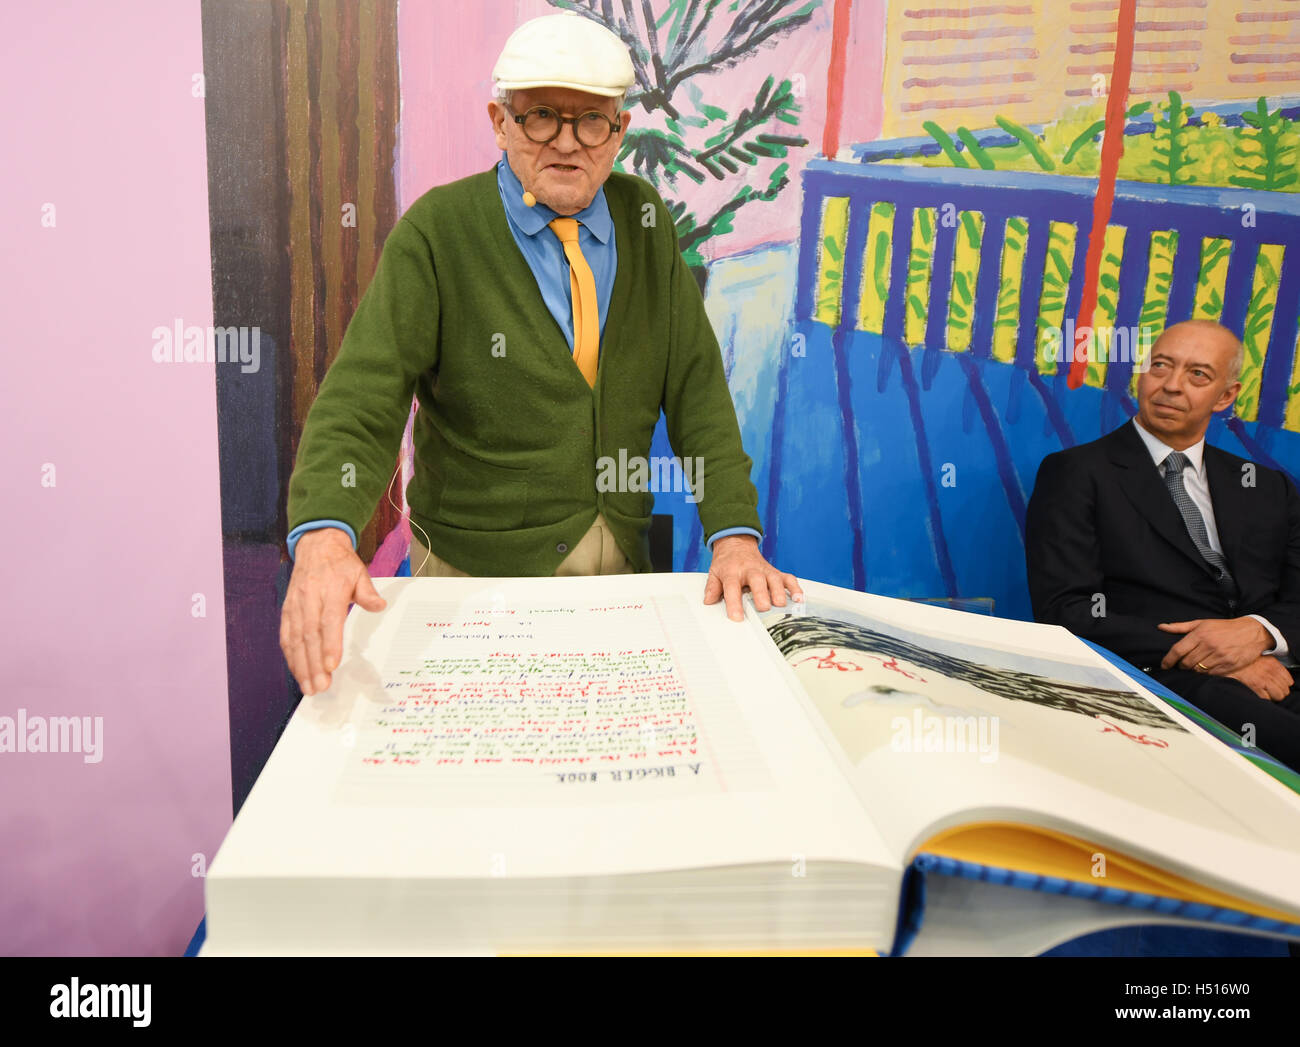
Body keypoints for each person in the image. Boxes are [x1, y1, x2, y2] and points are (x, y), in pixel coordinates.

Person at [279, 12, 801, 698]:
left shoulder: (644, 220)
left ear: (618, 132)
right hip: (472, 583)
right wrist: (323, 534)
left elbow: (697, 386)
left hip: (623, 578)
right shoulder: (438, 233)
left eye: (592, 122)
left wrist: (733, 532)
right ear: (500, 121)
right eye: (541, 118)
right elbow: (362, 397)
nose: (567, 143)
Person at [1025, 319, 1300, 769]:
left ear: (1227, 396)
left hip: (1279, 669)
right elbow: (1065, 610)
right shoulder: (1076, 473)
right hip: (1170, 681)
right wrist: (1216, 657)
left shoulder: (1268, 487)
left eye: (1198, 375)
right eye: (1160, 366)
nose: (1171, 386)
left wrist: (1258, 635)